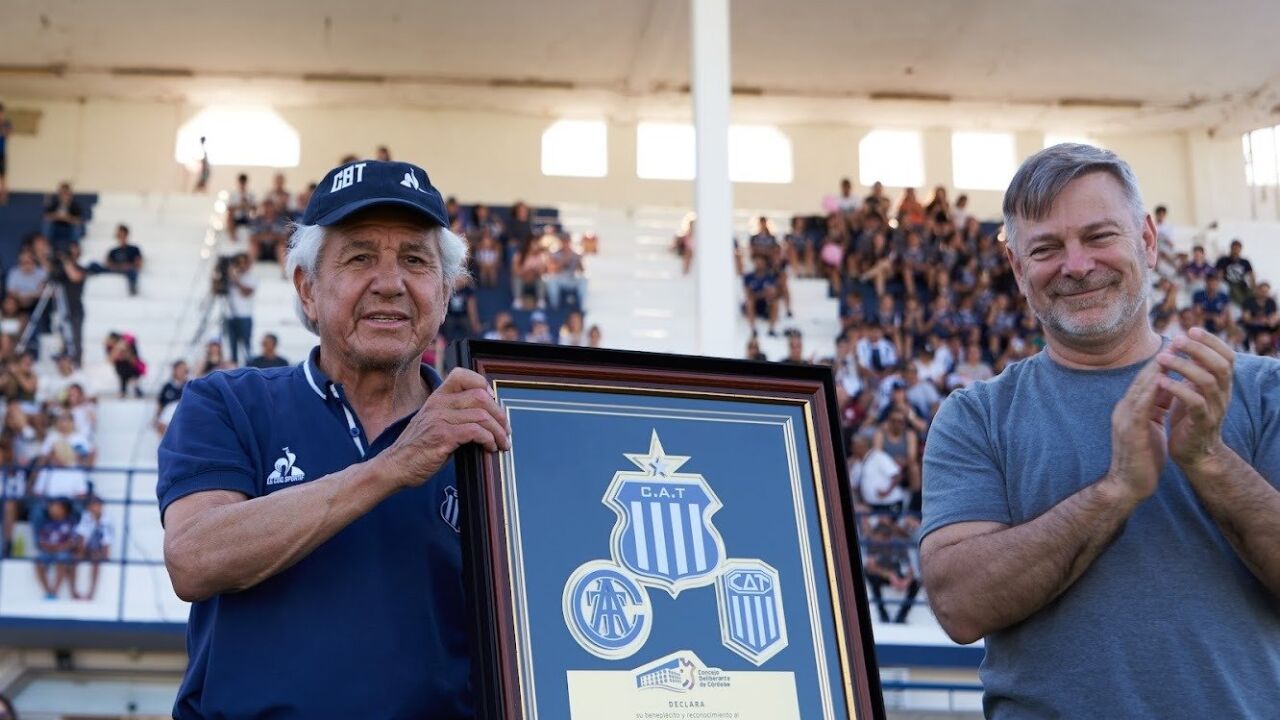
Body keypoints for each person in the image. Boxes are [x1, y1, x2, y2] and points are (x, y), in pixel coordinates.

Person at [920, 144, 1280, 718]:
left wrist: (1210, 460)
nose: (1077, 264)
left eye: (1098, 236)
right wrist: (1115, 490)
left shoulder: (1263, 391)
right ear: (1017, 268)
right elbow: (959, 605)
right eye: (1046, 248)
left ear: (1148, 240)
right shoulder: (976, 416)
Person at [157, 159, 511, 719]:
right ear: (307, 288)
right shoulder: (228, 404)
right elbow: (195, 558)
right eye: (360, 257)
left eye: (415, 260)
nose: (390, 283)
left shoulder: (491, 434)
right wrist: (394, 465)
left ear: (444, 293)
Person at [88, 224, 144, 296]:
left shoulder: (134, 249)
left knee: (133, 271)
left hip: (127, 270)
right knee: (93, 264)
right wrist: (118, 266)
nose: (119, 235)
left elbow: (139, 264)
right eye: (118, 233)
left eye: (121, 233)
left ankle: (133, 288)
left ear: (126, 234)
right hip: (114, 269)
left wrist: (128, 266)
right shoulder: (113, 250)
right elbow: (107, 264)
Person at [223, 253, 256, 364]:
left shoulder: (251, 277)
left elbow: (247, 292)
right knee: (232, 347)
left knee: (246, 347)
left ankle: (248, 368)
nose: (241, 266)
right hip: (230, 316)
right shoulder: (229, 278)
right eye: (238, 263)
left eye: (243, 263)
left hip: (245, 316)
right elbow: (217, 290)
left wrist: (235, 279)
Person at [42, 183, 83, 252]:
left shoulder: (75, 206)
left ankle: (73, 244)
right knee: (46, 223)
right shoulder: (54, 204)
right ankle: (46, 243)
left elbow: (78, 220)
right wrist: (57, 216)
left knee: (77, 225)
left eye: (66, 193)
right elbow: (46, 217)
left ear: (70, 194)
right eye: (61, 193)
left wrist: (66, 217)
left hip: (69, 229)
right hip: (55, 228)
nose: (63, 195)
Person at [1214, 239, 1255, 306]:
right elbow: (1219, 273)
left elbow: (1252, 275)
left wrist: (1253, 287)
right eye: (1234, 249)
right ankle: (1244, 307)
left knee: (1251, 294)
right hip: (1229, 283)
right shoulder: (1223, 260)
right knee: (1238, 295)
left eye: (1238, 249)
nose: (1236, 251)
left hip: (1241, 284)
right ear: (1231, 249)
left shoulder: (1245, 262)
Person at [154, 360, 188, 435]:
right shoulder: (167, 387)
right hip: (168, 417)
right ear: (174, 370)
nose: (182, 371)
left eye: (184, 369)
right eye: (180, 369)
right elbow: (160, 403)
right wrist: (156, 418)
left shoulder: (189, 386)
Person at [0, 102, 11, 205]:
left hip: (1, 152)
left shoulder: (6, 123)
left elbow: (8, 135)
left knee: (3, 175)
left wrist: (2, 127)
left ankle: (3, 196)